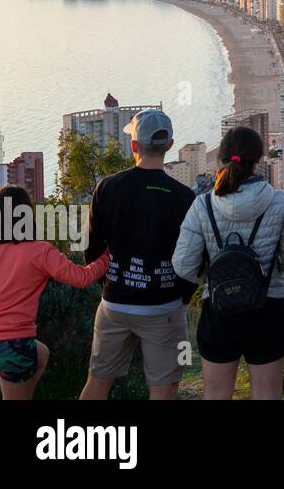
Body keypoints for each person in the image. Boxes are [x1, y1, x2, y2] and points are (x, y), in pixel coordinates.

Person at [172, 125, 284, 400]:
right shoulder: (280, 203)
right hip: (269, 307)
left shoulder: (202, 205)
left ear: (223, 158)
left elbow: (182, 264)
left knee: (216, 395)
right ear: (259, 160)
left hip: (219, 309)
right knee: (267, 395)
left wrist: (215, 277)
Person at [81, 108, 197, 400]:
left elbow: (91, 249)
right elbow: (194, 258)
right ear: (169, 145)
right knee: (163, 390)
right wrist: (181, 296)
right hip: (164, 307)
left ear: (134, 145)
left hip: (114, 305)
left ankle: (75, 444)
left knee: (97, 383)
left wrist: (110, 284)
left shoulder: (107, 187)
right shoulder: (184, 197)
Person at [0, 186, 110, 399]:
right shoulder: (39, 251)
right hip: (13, 345)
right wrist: (107, 257)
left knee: (41, 353)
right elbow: (82, 278)